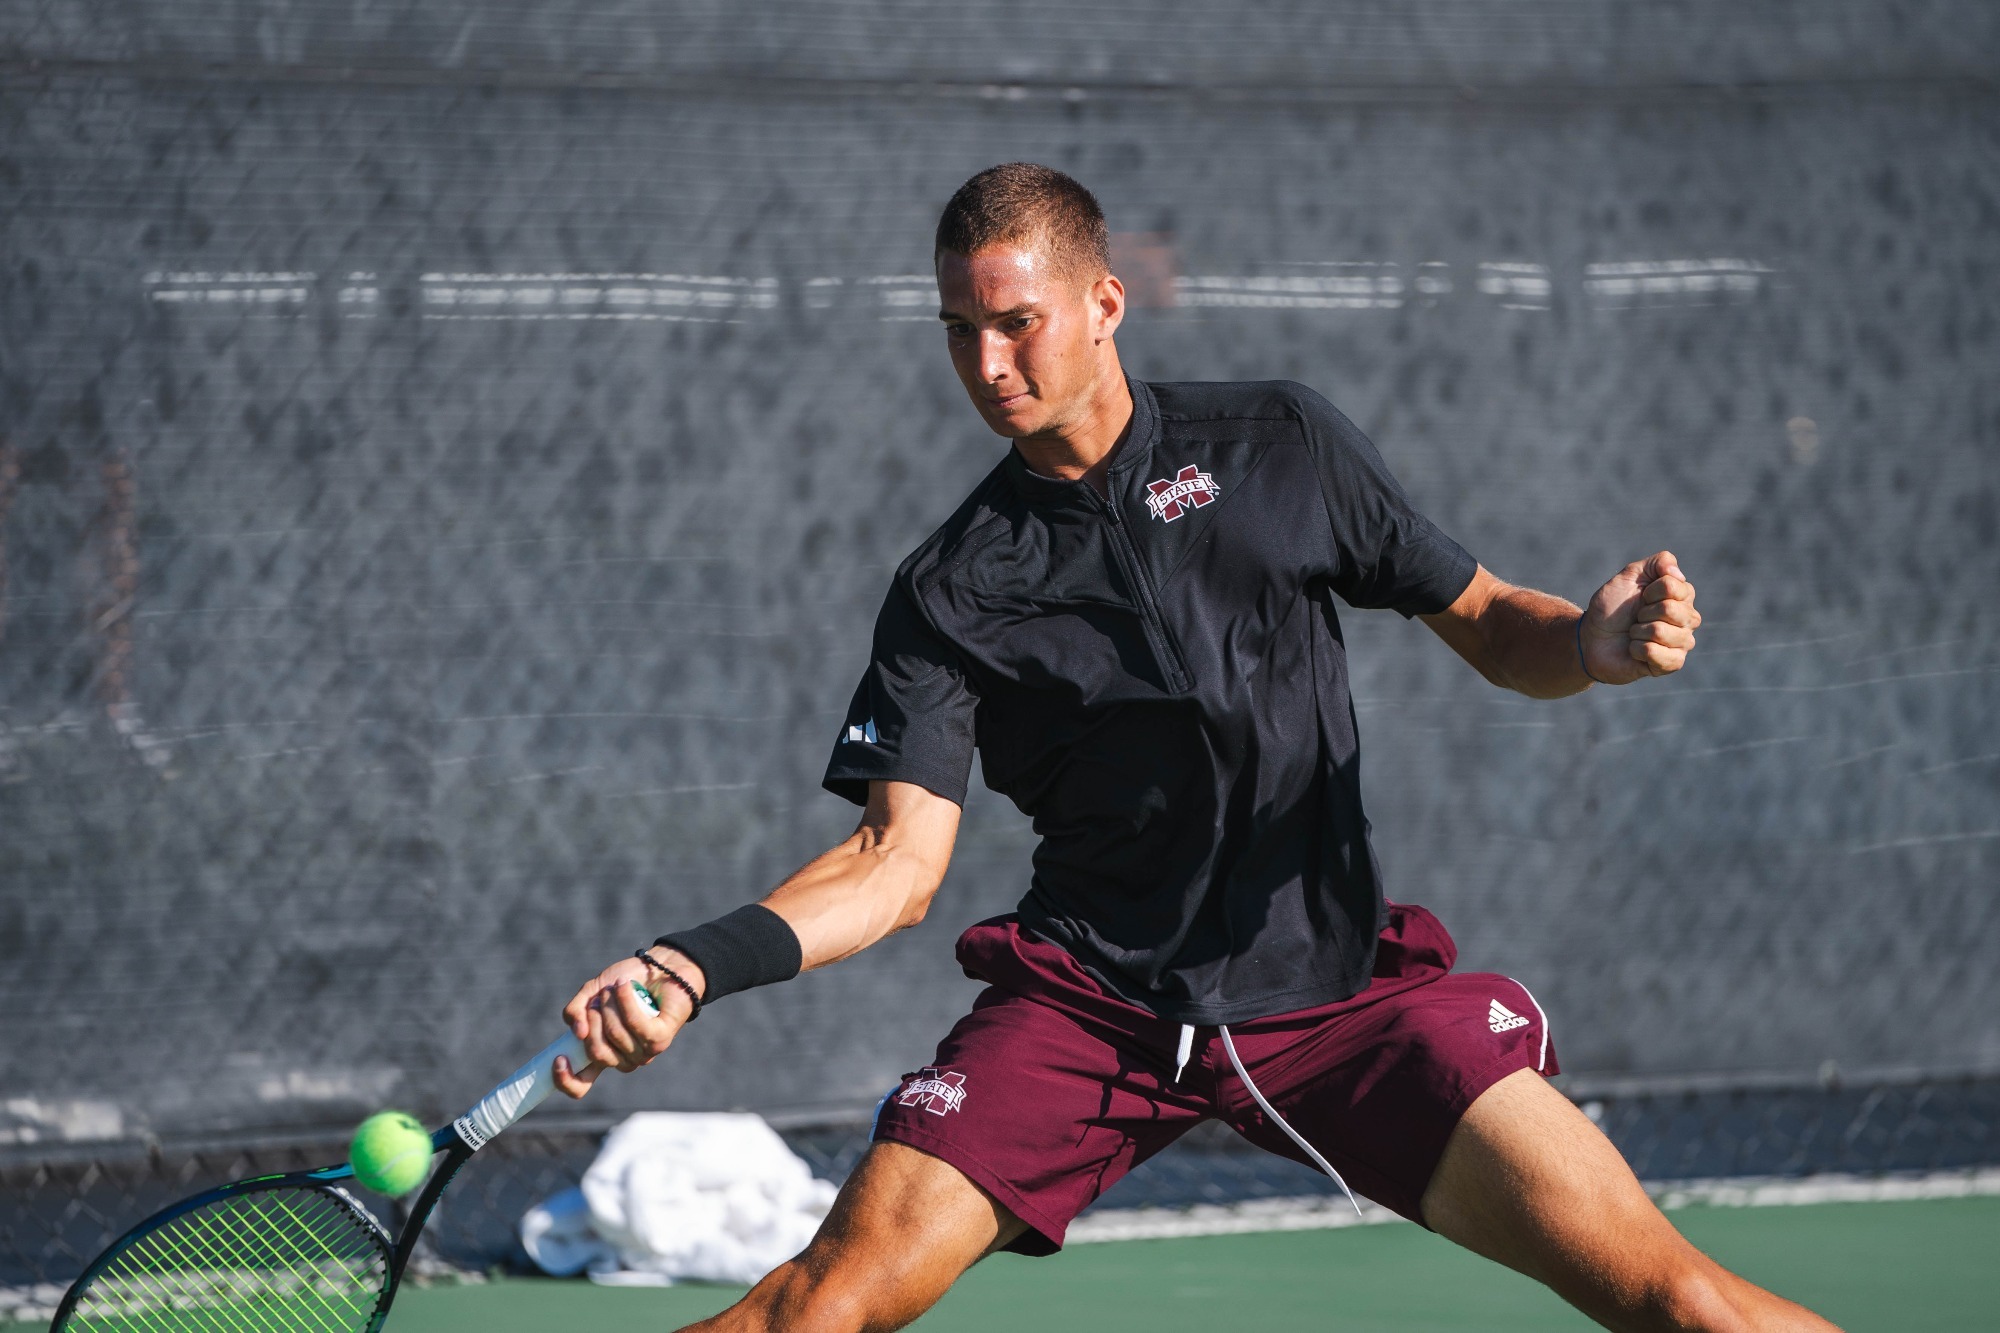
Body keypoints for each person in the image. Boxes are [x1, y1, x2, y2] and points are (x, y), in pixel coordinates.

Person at [554, 164, 1836, 1332]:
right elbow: (894, 862)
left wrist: (1591, 643)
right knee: (809, 1313)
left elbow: (1498, 625)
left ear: (1104, 303)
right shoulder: (950, 587)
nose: (986, 363)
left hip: (1338, 1000)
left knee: (1680, 1302)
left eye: (1016, 322)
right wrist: (690, 962)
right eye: (958, 329)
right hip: (1089, 1012)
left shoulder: (1278, 445)